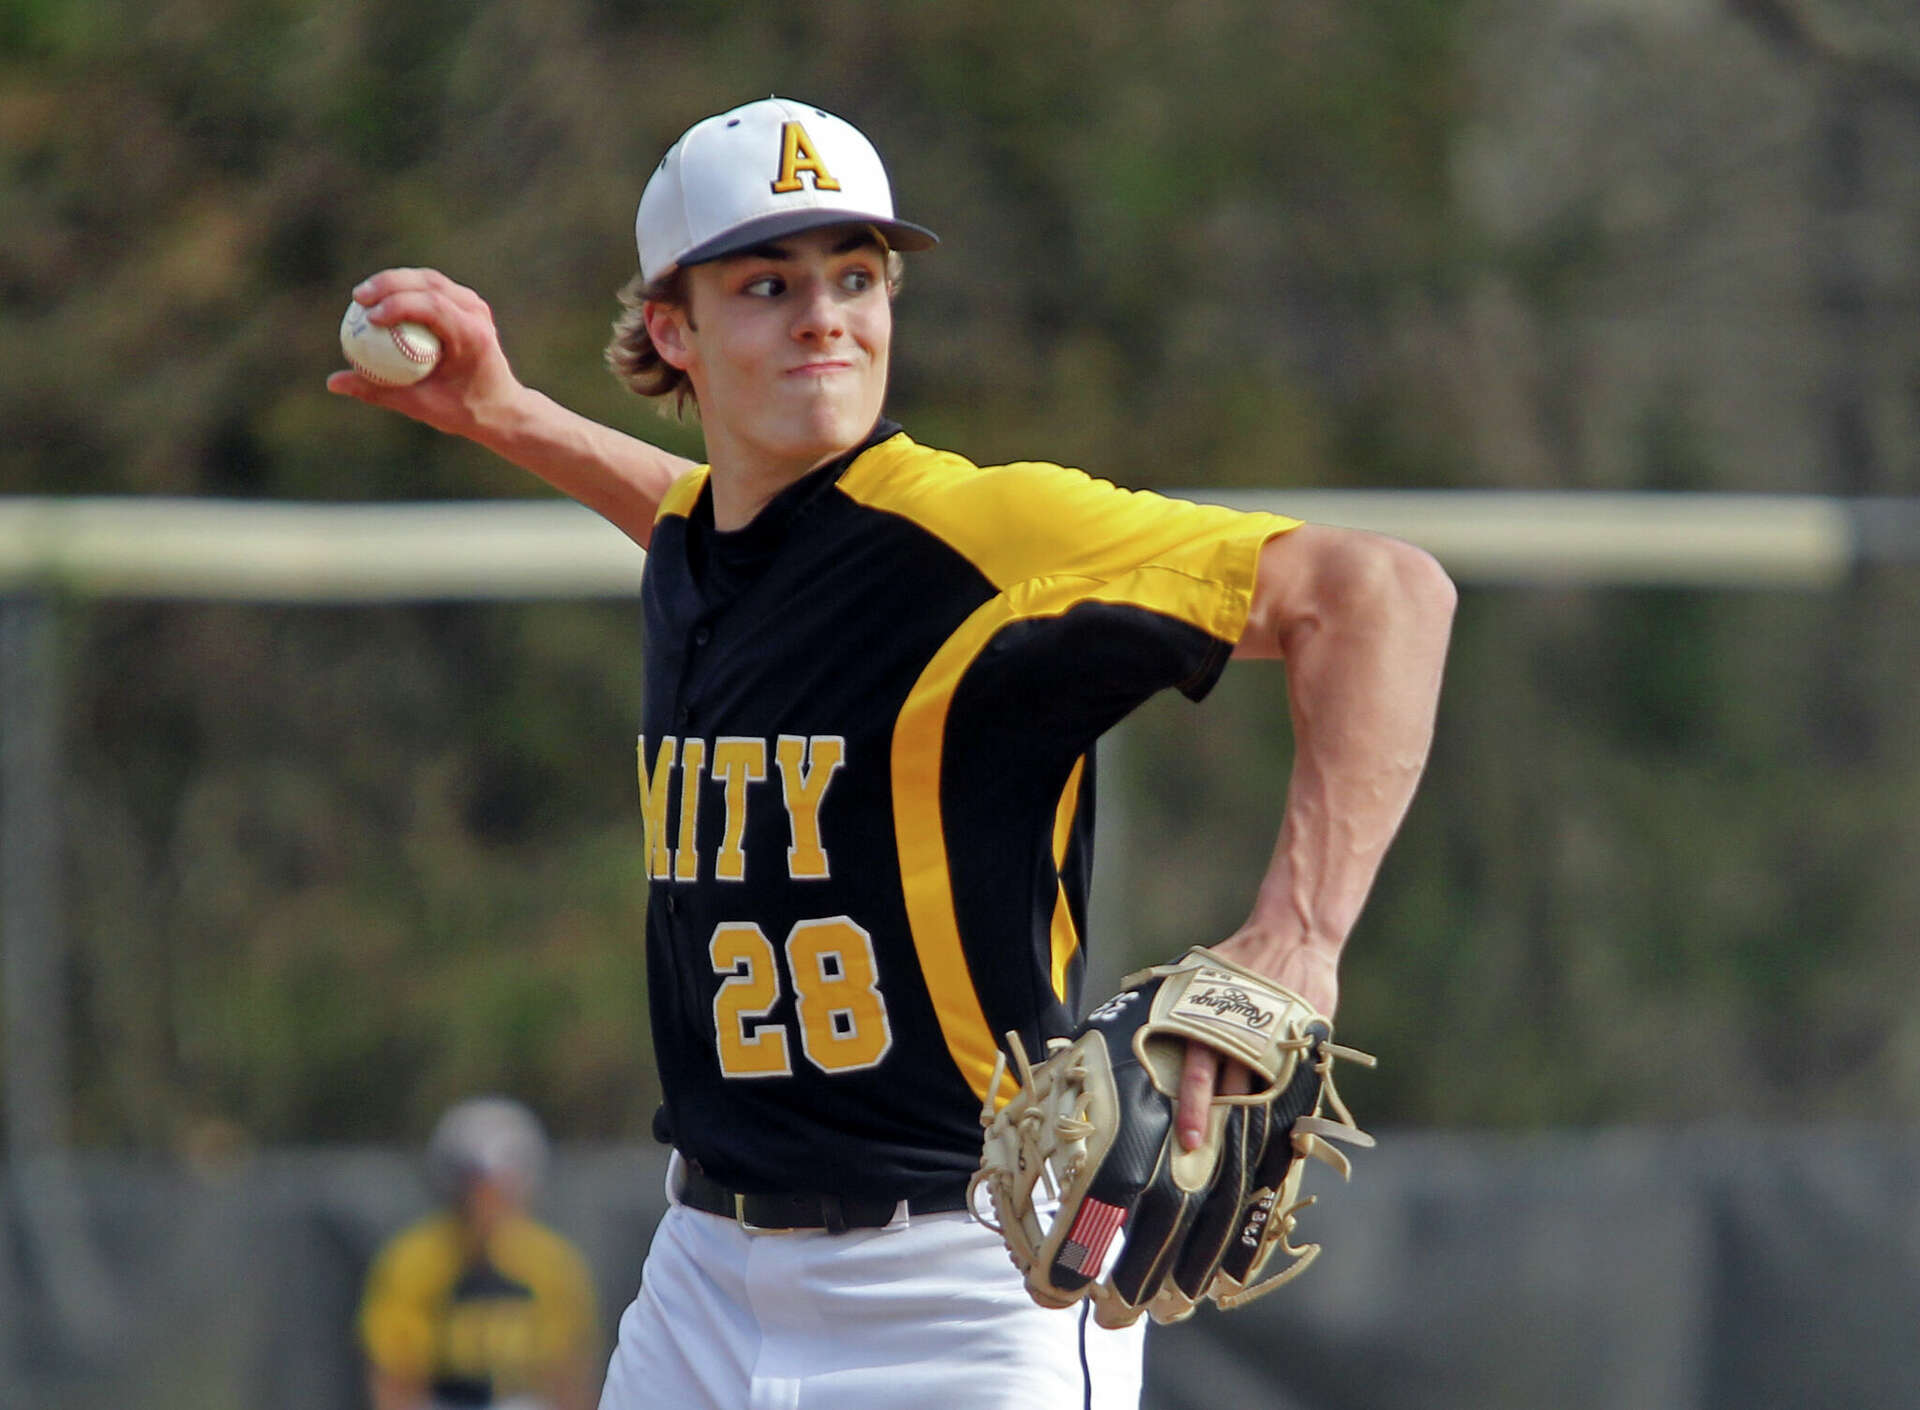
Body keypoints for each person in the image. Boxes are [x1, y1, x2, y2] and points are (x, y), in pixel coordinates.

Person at [330, 96, 1455, 1410]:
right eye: (768, 282)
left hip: (971, 1285)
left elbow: (1382, 595)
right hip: (700, 1275)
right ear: (670, 330)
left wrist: (1297, 939)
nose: (825, 314)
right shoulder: (710, 550)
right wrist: (509, 414)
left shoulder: (989, 540)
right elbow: (705, 515)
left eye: (857, 276)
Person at [357, 1096, 599, 1410]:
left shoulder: (552, 1263)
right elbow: (395, 1377)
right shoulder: (414, 1261)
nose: (487, 1198)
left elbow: (569, 1376)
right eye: (476, 1183)